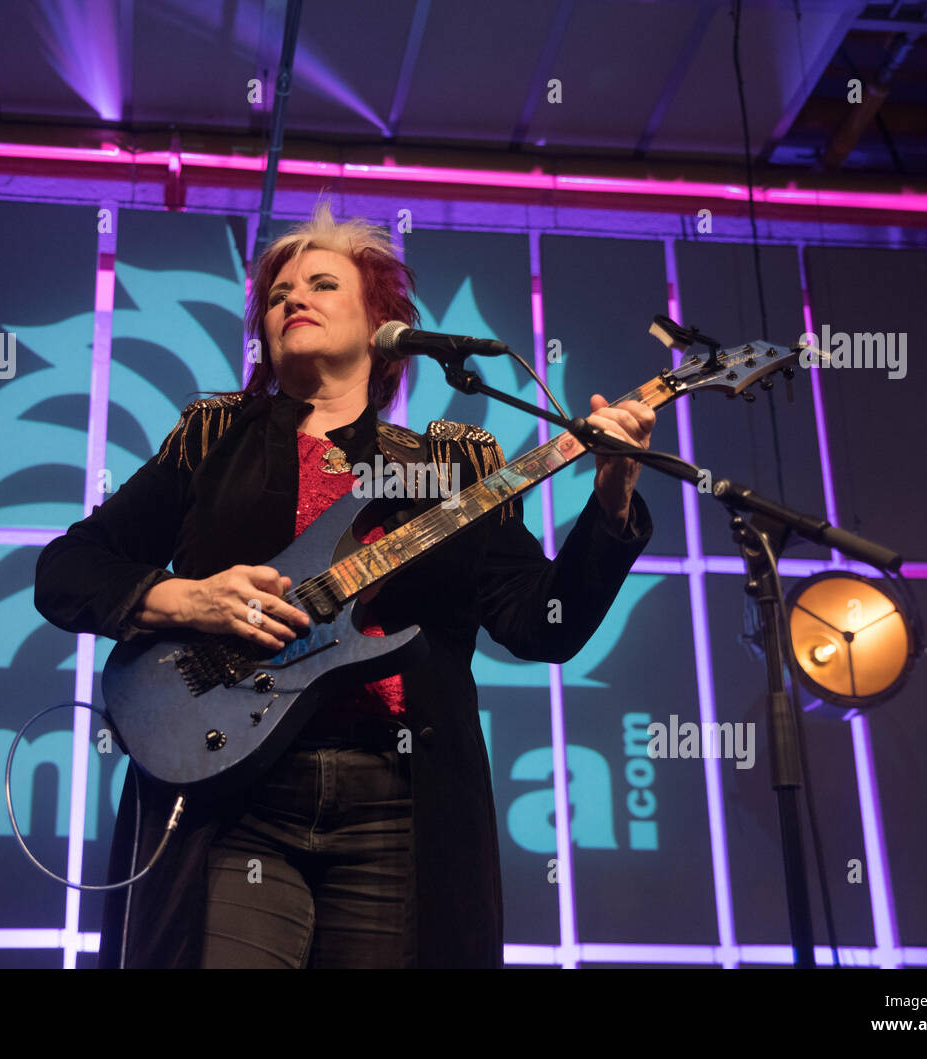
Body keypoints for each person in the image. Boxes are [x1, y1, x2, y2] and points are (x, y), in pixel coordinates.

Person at [33, 202, 655, 968]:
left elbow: (542, 623)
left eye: (322, 284)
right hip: (235, 797)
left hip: (399, 803)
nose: (292, 299)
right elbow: (68, 571)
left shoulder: (453, 466)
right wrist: (191, 598)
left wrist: (614, 496)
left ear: (382, 324)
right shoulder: (213, 436)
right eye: (278, 293)